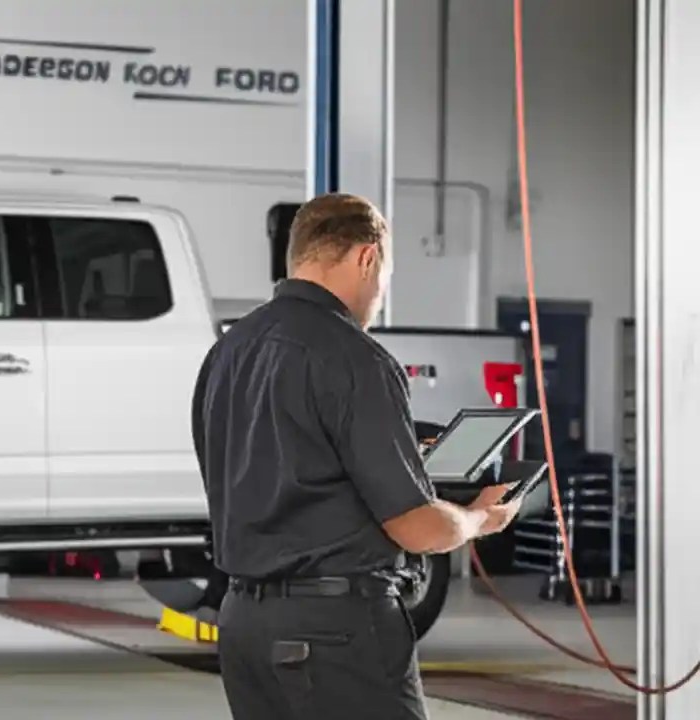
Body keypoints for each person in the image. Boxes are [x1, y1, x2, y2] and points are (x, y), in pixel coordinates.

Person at [191, 193, 524, 719]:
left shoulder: (229, 352)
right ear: (368, 257)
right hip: (336, 634)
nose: (380, 293)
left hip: (242, 627)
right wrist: (481, 518)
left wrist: (396, 452)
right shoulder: (356, 358)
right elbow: (417, 529)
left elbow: (265, 465)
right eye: (385, 274)